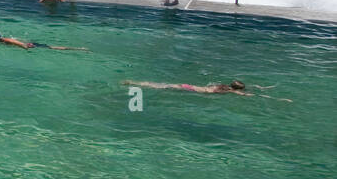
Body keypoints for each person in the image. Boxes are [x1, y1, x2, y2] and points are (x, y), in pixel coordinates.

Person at [121, 79, 289, 100]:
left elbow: (252, 89)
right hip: (191, 91)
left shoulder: (221, 86)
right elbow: (251, 94)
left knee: (160, 85)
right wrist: (279, 99)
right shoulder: (231, 91)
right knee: (161, 88)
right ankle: (134, 84)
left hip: (190, 86)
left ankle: (135, 83)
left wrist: (267, 86)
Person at [0, 31, 86, 51]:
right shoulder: (1, 39)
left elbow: (14, 42)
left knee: (52, 48)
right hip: (30, 44)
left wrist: (24, 47)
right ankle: (76, 49)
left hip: (29, 45)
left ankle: (78, 49)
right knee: (50, 47)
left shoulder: (3, 39)